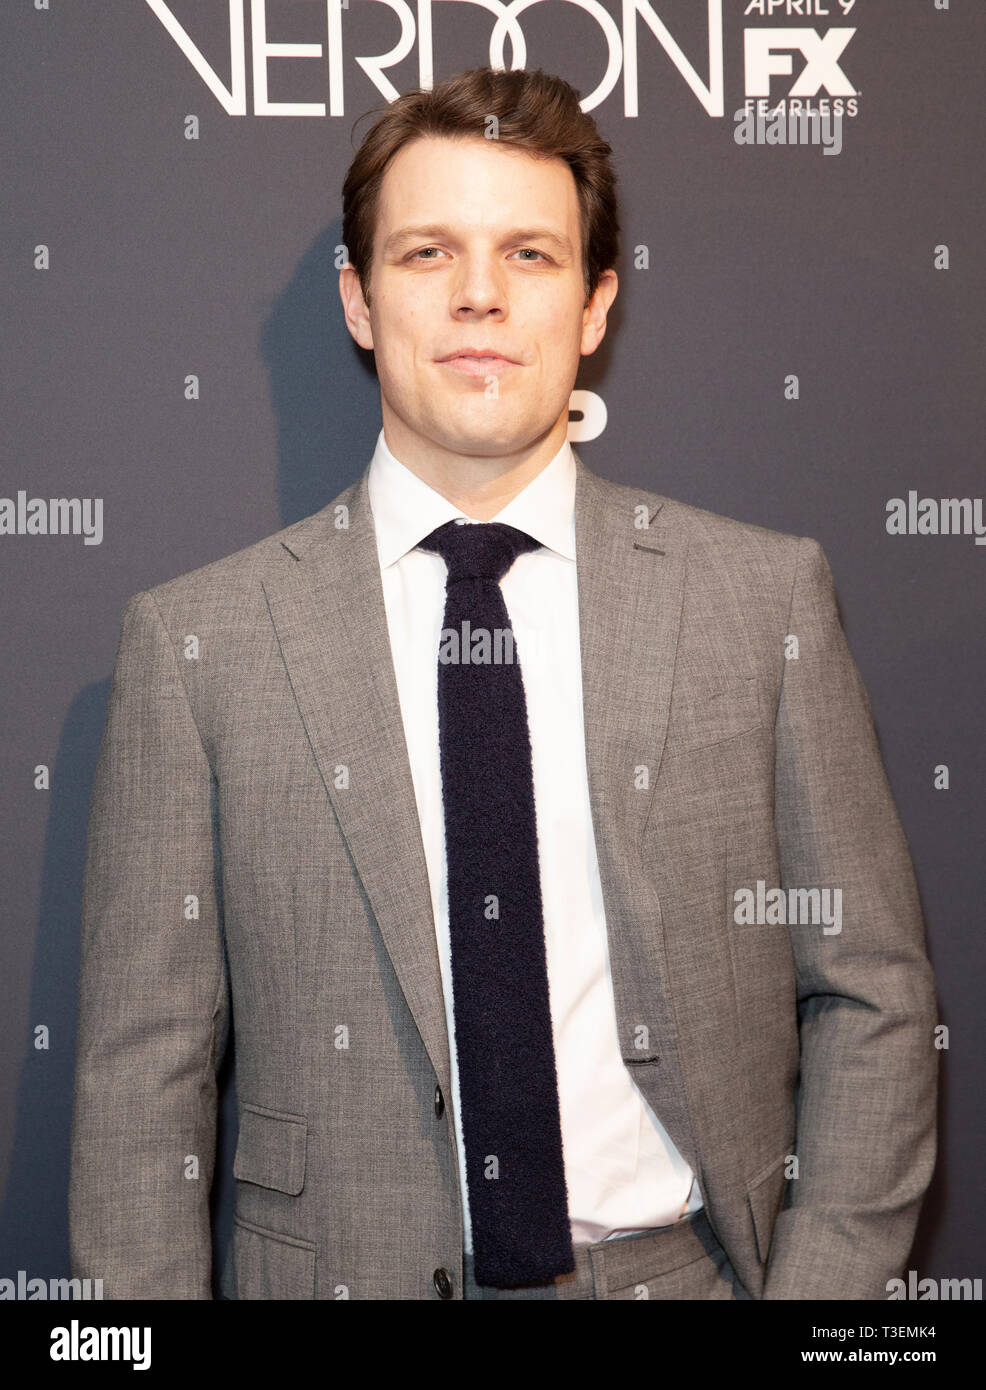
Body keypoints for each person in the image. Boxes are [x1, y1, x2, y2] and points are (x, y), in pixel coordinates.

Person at [69, 65, 938, 1300]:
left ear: (593, 306)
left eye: (529, 255)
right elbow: (137, 1083)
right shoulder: (197, 642)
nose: (479, 294)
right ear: (358, 301)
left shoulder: (760, 601)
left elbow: (870, 996)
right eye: (427, 253)